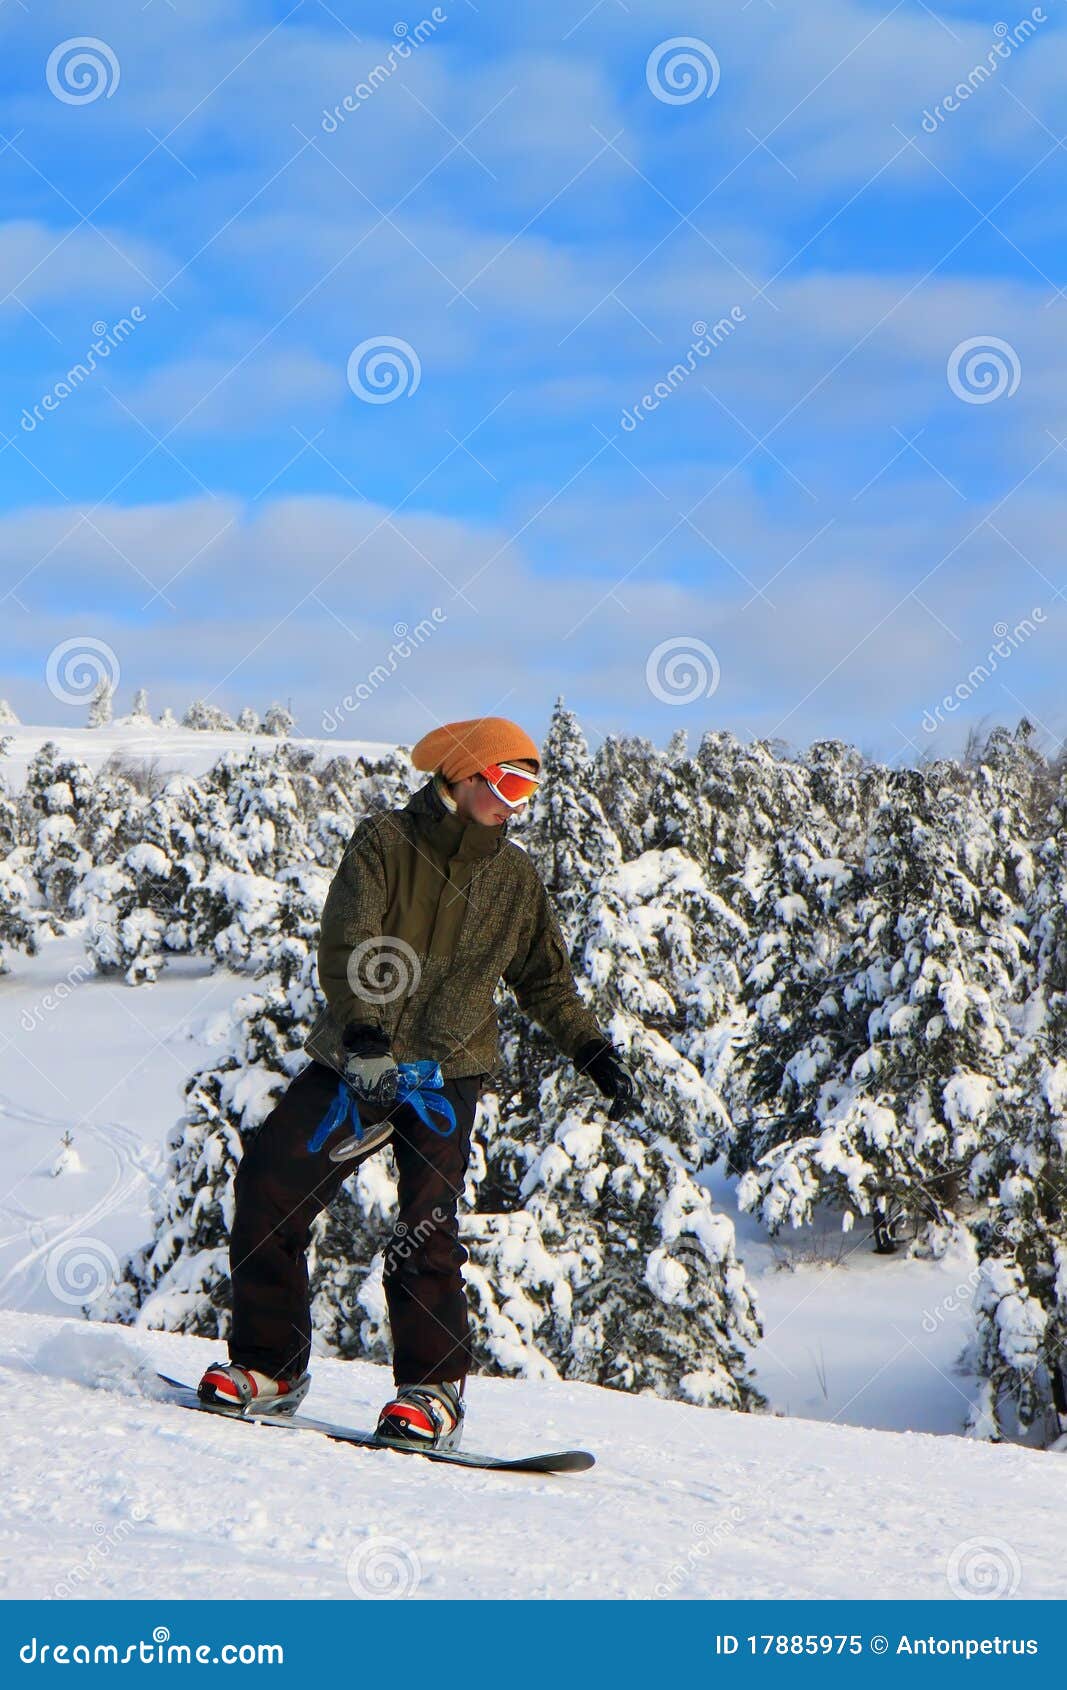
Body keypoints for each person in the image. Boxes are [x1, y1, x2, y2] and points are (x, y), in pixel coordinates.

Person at [199, 716, 635, 1450]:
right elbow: (349, 940)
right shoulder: (385, 843)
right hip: (356, 1061)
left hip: (447, 1073)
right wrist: (366, 1035)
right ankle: (268, 1368)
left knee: (424, 1228)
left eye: (529, 788)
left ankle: (431, 1394)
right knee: (271, 1186)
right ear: (464, 776)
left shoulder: (513, 878)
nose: (516, 803)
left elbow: (544, 982)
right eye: (509, 784)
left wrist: (590, 1049)